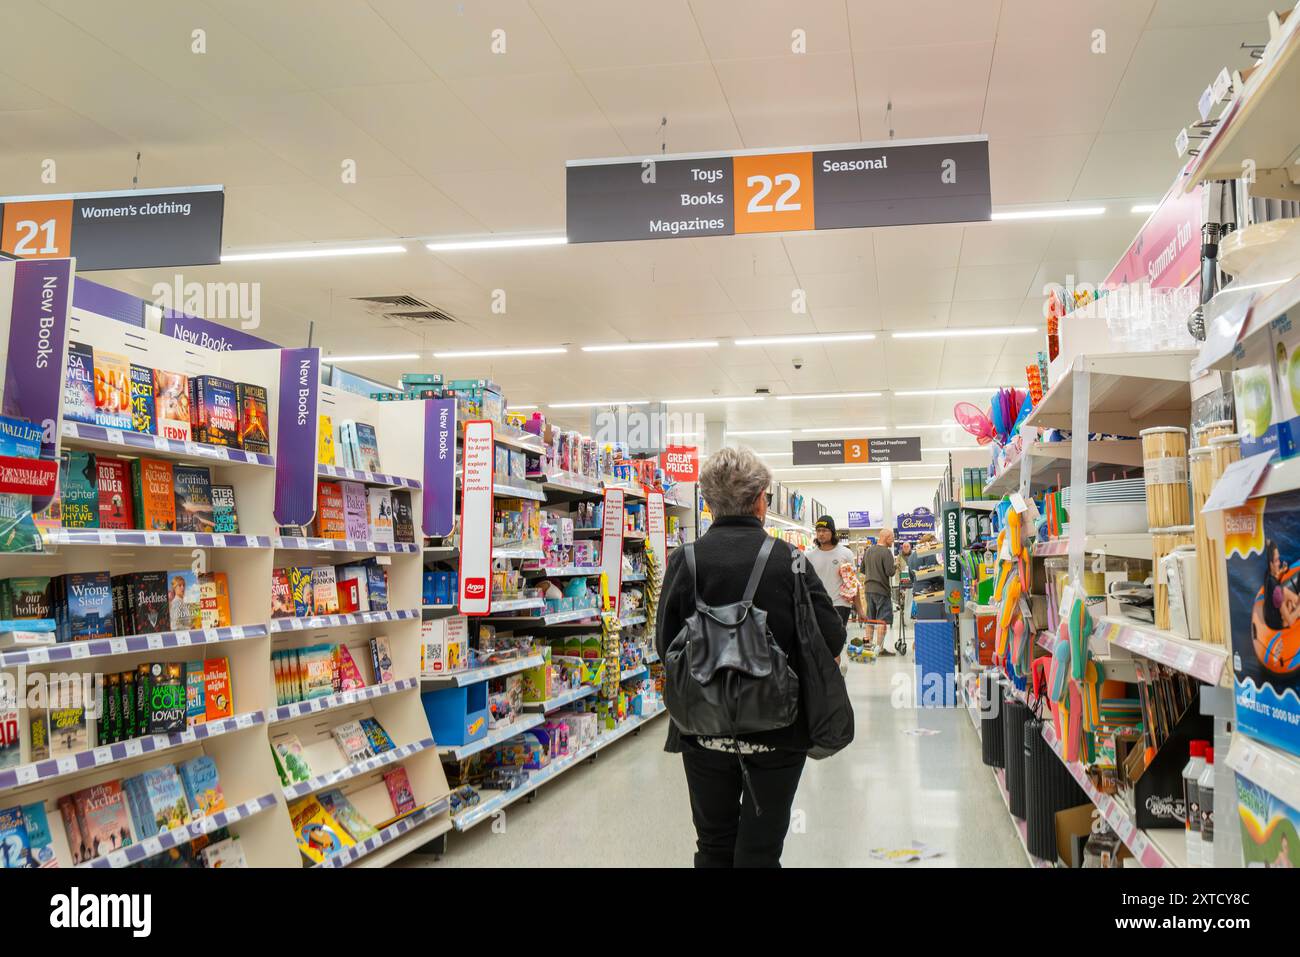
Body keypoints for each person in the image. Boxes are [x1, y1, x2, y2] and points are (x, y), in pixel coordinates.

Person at [656, 448, 846, 868]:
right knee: (759, 852)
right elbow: (831, 636)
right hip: (777, 729)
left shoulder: (683, 561)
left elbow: (663, 644)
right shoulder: (791, 559)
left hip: (702, 728)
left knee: (713, 845)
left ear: (707, 503)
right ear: (761, 499)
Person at [804, 515, 858, 641]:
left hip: (840, 604)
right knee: (821, 643)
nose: (821, 534)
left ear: (832, 532)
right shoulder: (810, 556)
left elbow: (853, 584)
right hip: (818, 604)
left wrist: (860, 610)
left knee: (834, 644)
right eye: (818, 531)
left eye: (824, 530)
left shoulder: (846, 553)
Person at [860, 529, 896, 655]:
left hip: (868, 589)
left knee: (870, 620)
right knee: (882, 621)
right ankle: (879, 649)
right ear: (886, 537)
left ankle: (867, 648)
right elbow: (890, 572)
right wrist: (895, 565)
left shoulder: (868, 550)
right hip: (881, 590)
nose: (893, 540)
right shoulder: (886, 552)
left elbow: (862, 569)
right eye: (892, 537)